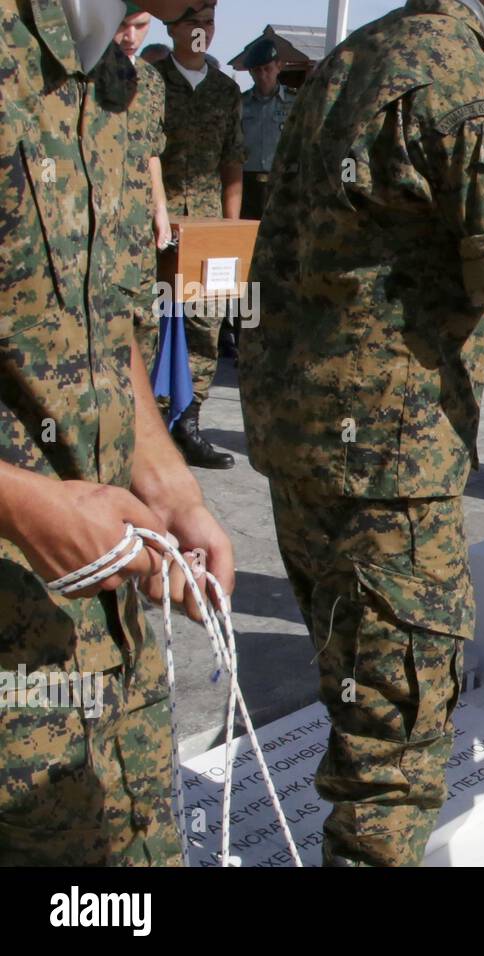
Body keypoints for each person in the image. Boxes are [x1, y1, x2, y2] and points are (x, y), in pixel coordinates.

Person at [239, 0, 484, 867]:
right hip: (389, 458)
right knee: (401, 722)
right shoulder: (472, 93)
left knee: (353, 676)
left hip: (297, 435)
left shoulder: (358, 55)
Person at [1, 0, 234, 866]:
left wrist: (165, 476)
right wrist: (25, 503)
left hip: (109, 633)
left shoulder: (118, 86)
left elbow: (106, 330)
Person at [157, 2, 245, 469]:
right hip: (157, 225)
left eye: (209, 20)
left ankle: (189, 425)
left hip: (208, 226)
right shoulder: (149, 82)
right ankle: (148, 430)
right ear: (170, 25)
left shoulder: (226, 90)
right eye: (193, 18)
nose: (201, 29)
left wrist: (231, 232)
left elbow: (233, 161)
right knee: (152, 324)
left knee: (205, 327)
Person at [113, 2, 173, 375]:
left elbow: (153, 152)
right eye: (123, 26)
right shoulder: (83, 72)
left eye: (141, 25)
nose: (131, 37)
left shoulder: (151, 82)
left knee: (145, 321)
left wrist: (160, 210)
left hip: (138, 224)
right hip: (99, 218)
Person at [238, 36, 295, 221]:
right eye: (256, 70)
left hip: (283, 181)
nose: (262, 75)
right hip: (247, 183)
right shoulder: (240, 103)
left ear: (279, 66)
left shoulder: (295, 101)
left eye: (267, 69)